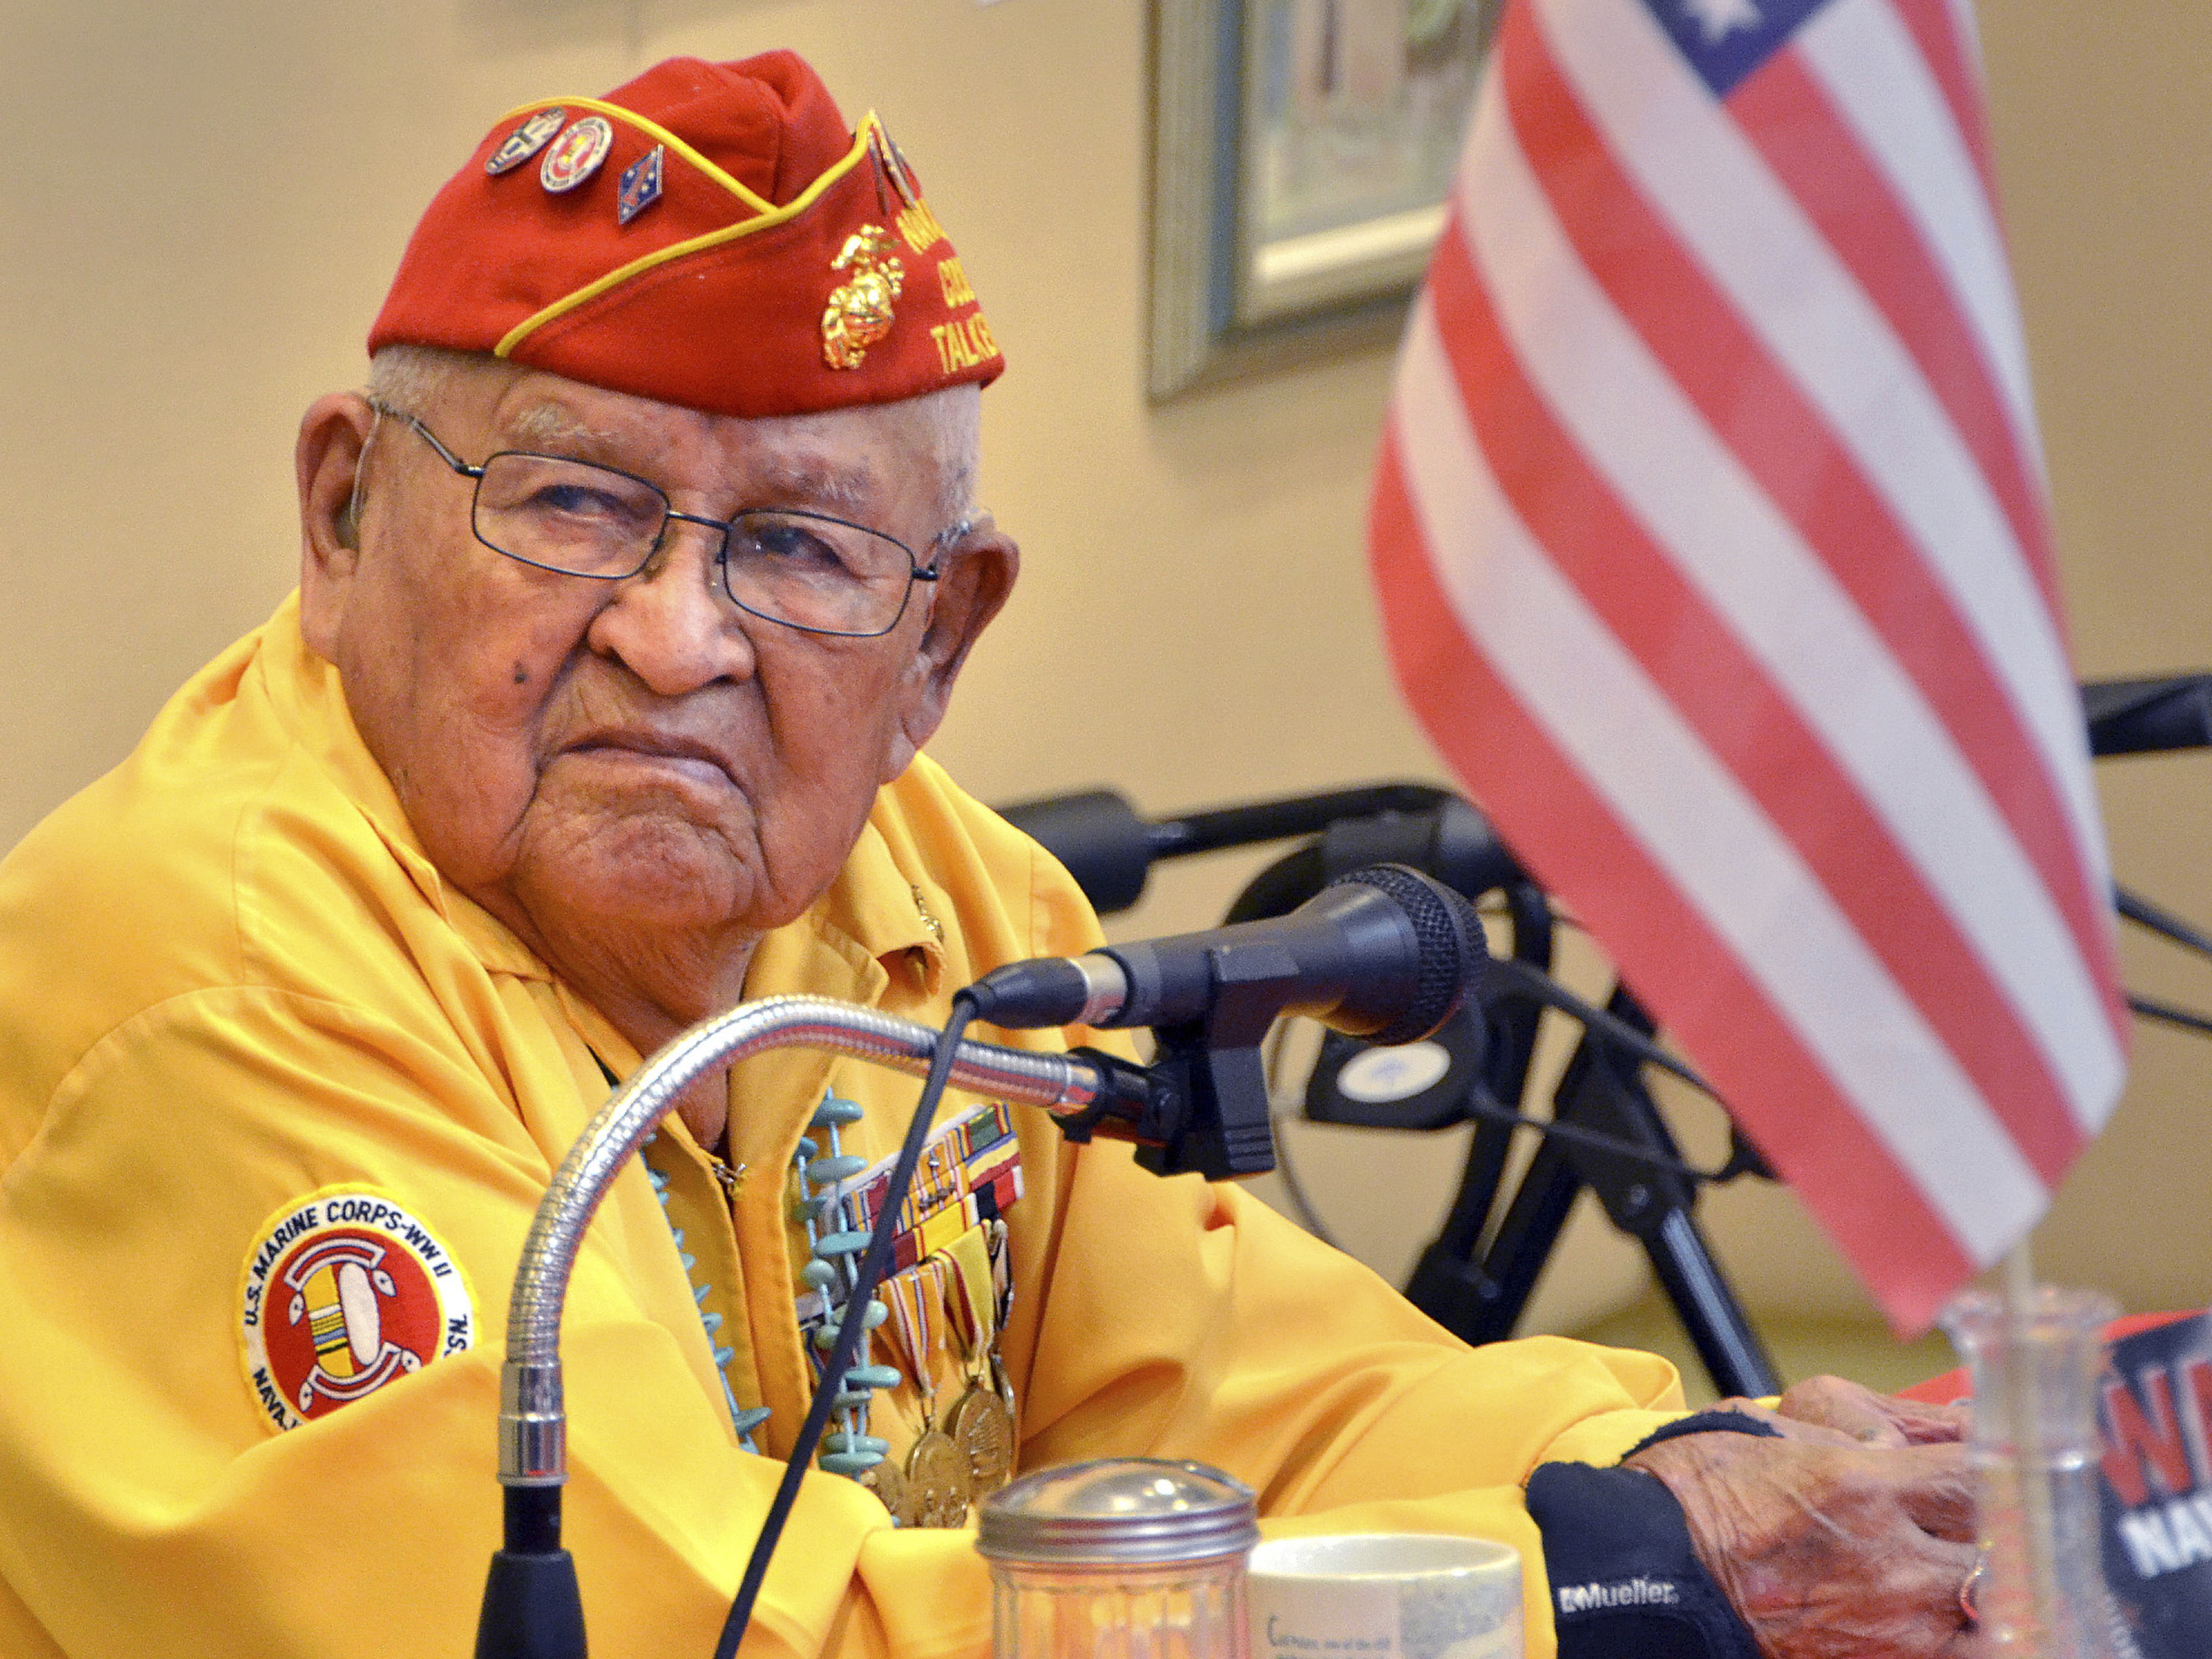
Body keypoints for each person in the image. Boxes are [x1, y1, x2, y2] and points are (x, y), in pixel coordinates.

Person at [0, 50, 1981, 1659]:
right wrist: (1610, 1587)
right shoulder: (210, 988)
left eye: (796, 547)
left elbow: (1222, 1404)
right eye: (576, 505)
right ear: (345, 515)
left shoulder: (919, 886)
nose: (678, 637)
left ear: (940, 637)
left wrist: (1686, 1461)